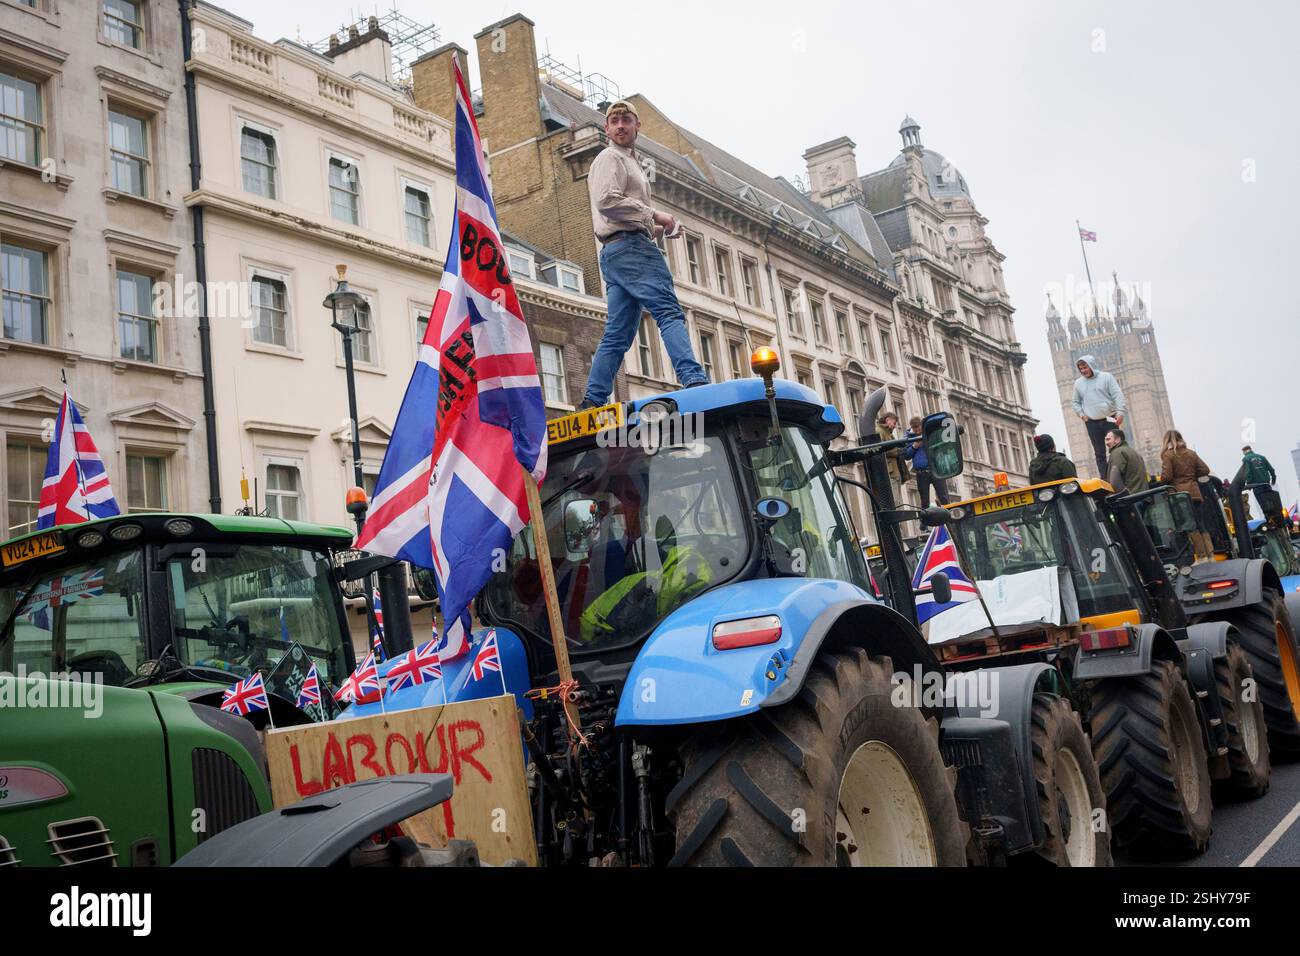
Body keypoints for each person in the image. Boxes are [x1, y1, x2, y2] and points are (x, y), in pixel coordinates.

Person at [580, 100, 707, 408]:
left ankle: (593, 399)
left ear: (638, 126)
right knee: (668, 311)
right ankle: (693, 378)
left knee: (618, 334)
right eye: (614, 121)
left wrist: (657, 228)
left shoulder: (631, 162)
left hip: (620, 250)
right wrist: (655, 215)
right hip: (630, 249)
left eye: (626, 119)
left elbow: (623, 211)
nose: (620, 125)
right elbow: (607, 201)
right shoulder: (610, 158)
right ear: (607, 128)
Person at [1160, 429, 1214, 560]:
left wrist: (1161, 479)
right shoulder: (1191, 453)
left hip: (1180, 495)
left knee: (1190, 525)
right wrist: (1192, 476)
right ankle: (1210, 555)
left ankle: (1201, 557)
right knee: (1200, 523)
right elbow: (1205, 470)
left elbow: (1167, 476)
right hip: (1195, 492)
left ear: (1166, 441)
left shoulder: (1168, 455)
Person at [1070, 355, 1128, 477]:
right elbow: (1075, 402)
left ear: (1091, 365)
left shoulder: (1106, 377)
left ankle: (1121, 474)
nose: (1083, 371)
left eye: (1085, 367)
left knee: (1116, 449)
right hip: (1091, 422)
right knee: (1099, 453)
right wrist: (1081, 415)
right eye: (1081, 368)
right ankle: (1105, 478)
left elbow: (1117, 395)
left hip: (1110, 418)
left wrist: (1120, 412)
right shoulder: (1078, 383)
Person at [903, 416, 950, 508]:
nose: (917, 431)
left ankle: (951, 521)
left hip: (936, 469)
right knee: (924, 502)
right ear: (912, 428)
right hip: (921, 473)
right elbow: (907, 456)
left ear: (922, 425)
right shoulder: (908, 438)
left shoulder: (930, 433)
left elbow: (941, 447)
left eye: (918, 428)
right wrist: (914, 446)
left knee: (944, 498)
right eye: (914, 429)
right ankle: (926, 522)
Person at [1105, 428, 1149, 495]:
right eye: (1106, 440)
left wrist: (1122, 498)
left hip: (1131, 500)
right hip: (1143, 497)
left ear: (1117, 440)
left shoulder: (1117, 453)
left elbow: (1114, 482)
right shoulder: (1134, 452)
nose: (1106, 443)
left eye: (1108, 439)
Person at [1241, 444, 1281, 518]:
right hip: (1267, 485)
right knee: (1272, 504)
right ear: (1251, 449)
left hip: (1257, 486)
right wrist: (1273, 480)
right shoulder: (1262, 457)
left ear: (1244, 452)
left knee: (1264, 506)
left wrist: (1249, 484)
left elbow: (1248, 473)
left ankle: (1269, 521)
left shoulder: (1246, 459)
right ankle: (1277, 521)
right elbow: (1271, 469)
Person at [877, 412, 910, 498]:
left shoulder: (888, 433)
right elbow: (879, 451)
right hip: (890, 472)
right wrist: (897, 451)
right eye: (894, 423)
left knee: (897, 500)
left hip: (894, 471)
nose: (895, 426)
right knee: (895, 501)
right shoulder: (880, 431)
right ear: (887, 420)